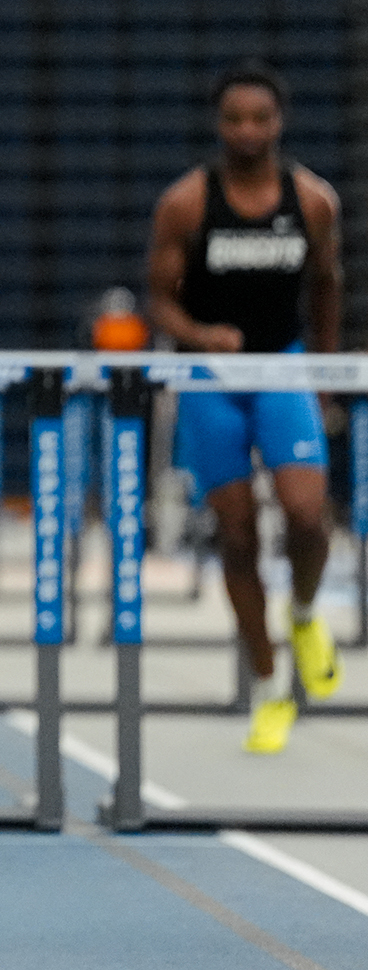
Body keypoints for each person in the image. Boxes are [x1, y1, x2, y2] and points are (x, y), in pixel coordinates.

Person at [145, 60, 343, 754]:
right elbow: (159, 298)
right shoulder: (187, 204)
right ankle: (267, 688)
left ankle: (308, 612)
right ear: (219, 125)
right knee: (236, 537)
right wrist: (201, 336)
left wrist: (323, 375)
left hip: (283, 366)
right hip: (208, 377)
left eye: (261, 118)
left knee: (306, 514)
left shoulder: (312, 201)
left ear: (279, 123)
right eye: (236, 119)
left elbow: (326, 286)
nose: (249, 130)